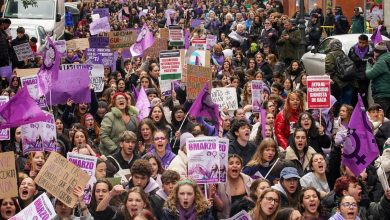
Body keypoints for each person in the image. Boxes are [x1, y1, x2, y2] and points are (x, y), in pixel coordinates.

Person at [216, 154, 253, 219]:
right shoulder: (219, 182)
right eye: (231, 163)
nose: (235, 165)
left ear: (241, 167)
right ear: (225, 167)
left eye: (238, 163)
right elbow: (218, 207)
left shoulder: (249, 180)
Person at [325, 39, 356, 105]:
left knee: (337, 102)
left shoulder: (330, 55)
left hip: (338, 83)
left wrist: (329, 78)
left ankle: (338, 114)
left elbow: (329, 68)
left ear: (331, 46)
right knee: (347, 104)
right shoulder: (344, 54)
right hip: (349, 81)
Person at [365, 41, 390, 119]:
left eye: (374, 52)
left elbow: (369, 75)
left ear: (377, 53)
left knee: (381, 118)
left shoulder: (381, 62)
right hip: (388, 93)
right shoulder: (387, 58)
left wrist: (369, 64)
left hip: (382, 95)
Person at [348, 34, 373, 107]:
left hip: (365, 77)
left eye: (363, 43)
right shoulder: (353, 49)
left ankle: (365, 111)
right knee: (354, 96)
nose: (361, 44)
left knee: (363, 95)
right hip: (355, 76)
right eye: (360, 42)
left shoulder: (371, 51)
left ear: (367, 43)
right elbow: (349, 62)